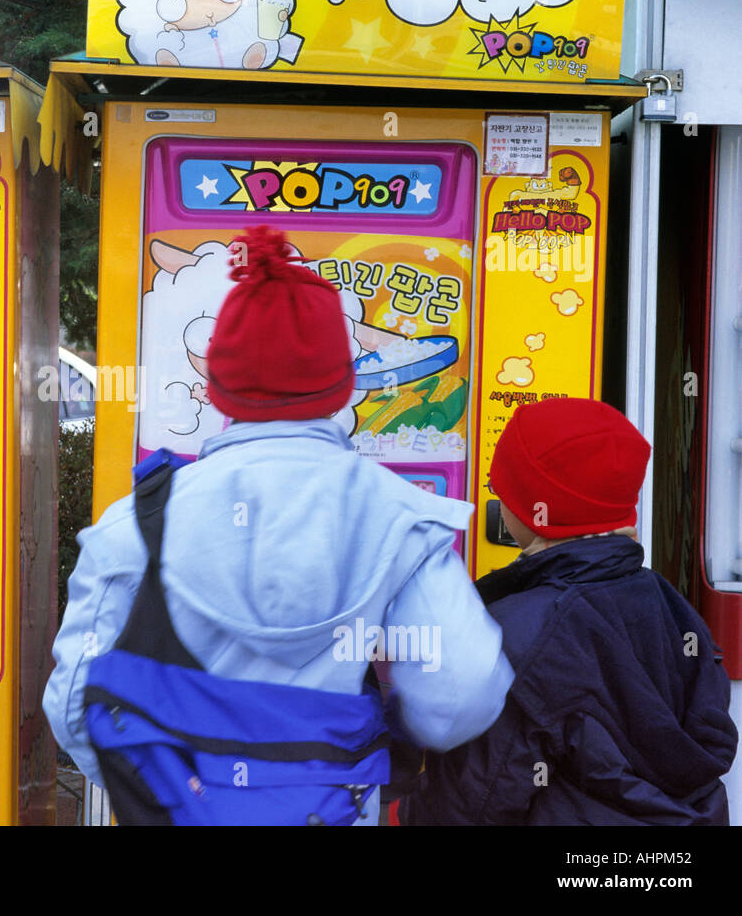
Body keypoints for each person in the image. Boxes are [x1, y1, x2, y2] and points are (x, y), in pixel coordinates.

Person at [42, 226, 514, 823]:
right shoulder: (404, 520)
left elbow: (76, 703)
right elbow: (460, 693)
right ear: (343, 387)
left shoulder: (137, 522)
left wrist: (173, 789)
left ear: (219, 386)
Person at [401, 397, 738, 824]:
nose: (496, 496)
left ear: (534, 510)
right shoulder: (667, 601)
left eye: (501, 487)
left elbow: (472, 805)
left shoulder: (519, 636)